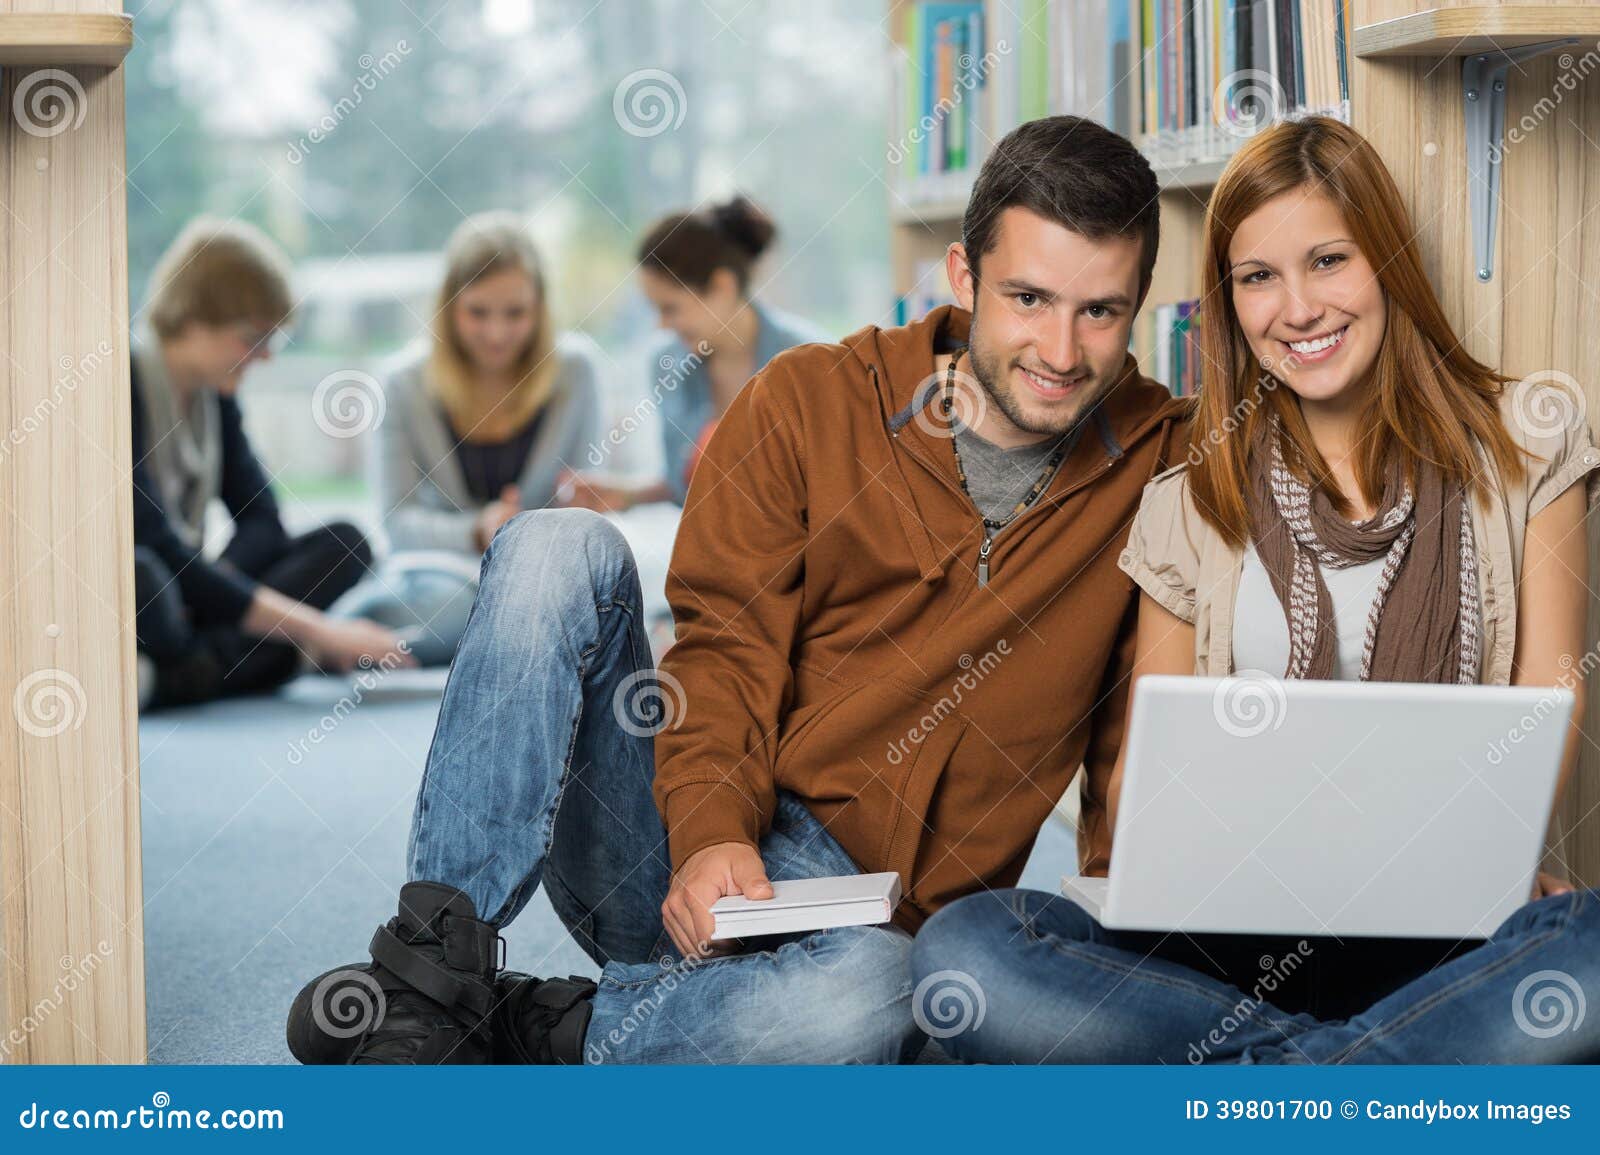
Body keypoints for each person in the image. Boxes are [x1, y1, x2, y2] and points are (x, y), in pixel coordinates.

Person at [283, 115, 1188, 1065]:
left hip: (866, 939)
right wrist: (714, 827)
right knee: (554, 544)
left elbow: (1138, 743)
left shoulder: (1163, 467)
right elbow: (723, 643)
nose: (1061, 348)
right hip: (676, 850)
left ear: (1139, 305)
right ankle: (435, 968)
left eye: (1102, 311)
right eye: (1029, 298)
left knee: (881, 994)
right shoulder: (807, 399)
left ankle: (537, 1027)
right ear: (962, 277)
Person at [910, 116, 1600, 1065]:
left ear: (1386, 261)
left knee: (1590, 937)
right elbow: (1167, 761)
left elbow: (1551, 687)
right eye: (1258, 278)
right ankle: (1350, 1079)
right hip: (1225, 951)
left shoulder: (1528, 444)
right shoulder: (1187, 498)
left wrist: (1497, 853)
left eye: (1328, 260)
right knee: (970, 950)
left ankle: (1258, 1089)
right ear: (1228, 300)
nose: (1299, 308)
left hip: (1447, 934)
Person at [131, 218, 414, 710]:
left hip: (191, 598)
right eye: (253, 338)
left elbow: (262, 519)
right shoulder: (125, 383)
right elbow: (157, 546)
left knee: (346, 542)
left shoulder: (214, 394)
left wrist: (219, 587)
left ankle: (190, 672)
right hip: (153, 595)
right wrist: (321, 630)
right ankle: (264, 658)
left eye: (272, 341)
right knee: (146, 574)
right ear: (194, 317)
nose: (263, 358)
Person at [559, 195, 820, 511]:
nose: (662, 325)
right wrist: (626, 494)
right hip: (705, 551)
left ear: (722, 287)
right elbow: (683, 484)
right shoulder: (667, 363)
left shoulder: (810, 360)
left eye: (670, 308)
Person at [374, 212, 603, 555]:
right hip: (442, 571)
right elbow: (397, 524)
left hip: (545, 567)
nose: (496, 335)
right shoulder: (402, 383)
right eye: (478, 312)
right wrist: (478, 532)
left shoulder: (576, 370)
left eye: (515, 313)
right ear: (449, 308)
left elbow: (584, 502)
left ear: (540, 310)